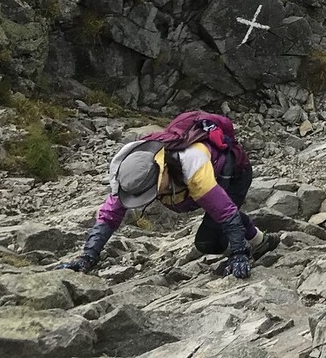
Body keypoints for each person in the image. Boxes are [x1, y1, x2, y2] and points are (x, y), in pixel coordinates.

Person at [56, 112, 276, 279]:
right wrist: (88, 256)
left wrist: (238, 253)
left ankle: (257, 244)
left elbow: (226, 213)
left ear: (162, 175)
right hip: (198, 188)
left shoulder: (192, 165)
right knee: (218, 216)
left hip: (232, 175)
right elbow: (109, 216)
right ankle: (258, 239)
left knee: (208, 242)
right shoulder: (129, 172)